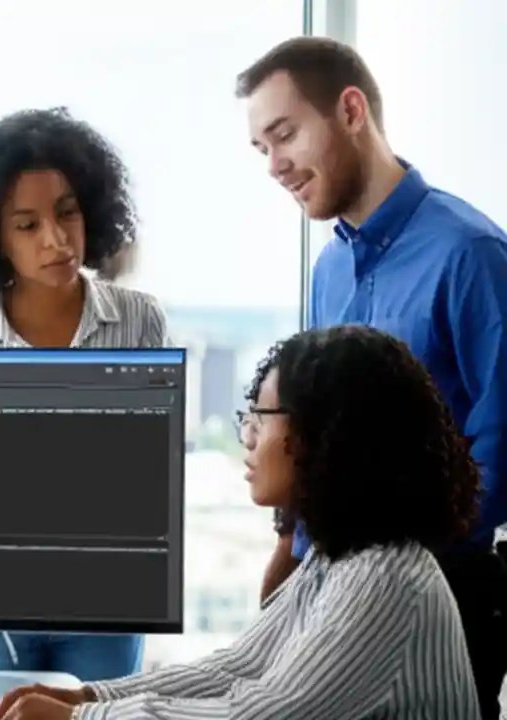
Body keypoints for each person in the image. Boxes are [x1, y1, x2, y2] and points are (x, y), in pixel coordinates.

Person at [0, 325, 480, 719]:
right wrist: (91, 697)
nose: (247, 436)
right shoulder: (340, 558)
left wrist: (81, 719)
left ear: (324, 434)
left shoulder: (384, 578)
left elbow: (261, 713)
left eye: (261, 418)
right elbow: (239, 668)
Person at [237, 36, 507, 716]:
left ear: (351, 110)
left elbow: (504, 434)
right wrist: (292, 547)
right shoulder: (329, 268)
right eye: (260, 149)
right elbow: (310, 420)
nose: (274, 165)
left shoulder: (469, 254)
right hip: (333, 580)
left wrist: (408, 566)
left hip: (440, 587)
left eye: (284, 135)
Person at [0, 107, 167, 683]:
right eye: (27, 226)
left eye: (67, 213)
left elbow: (146, 471)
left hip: (103, 602)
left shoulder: (138, 323)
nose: (56, 240)